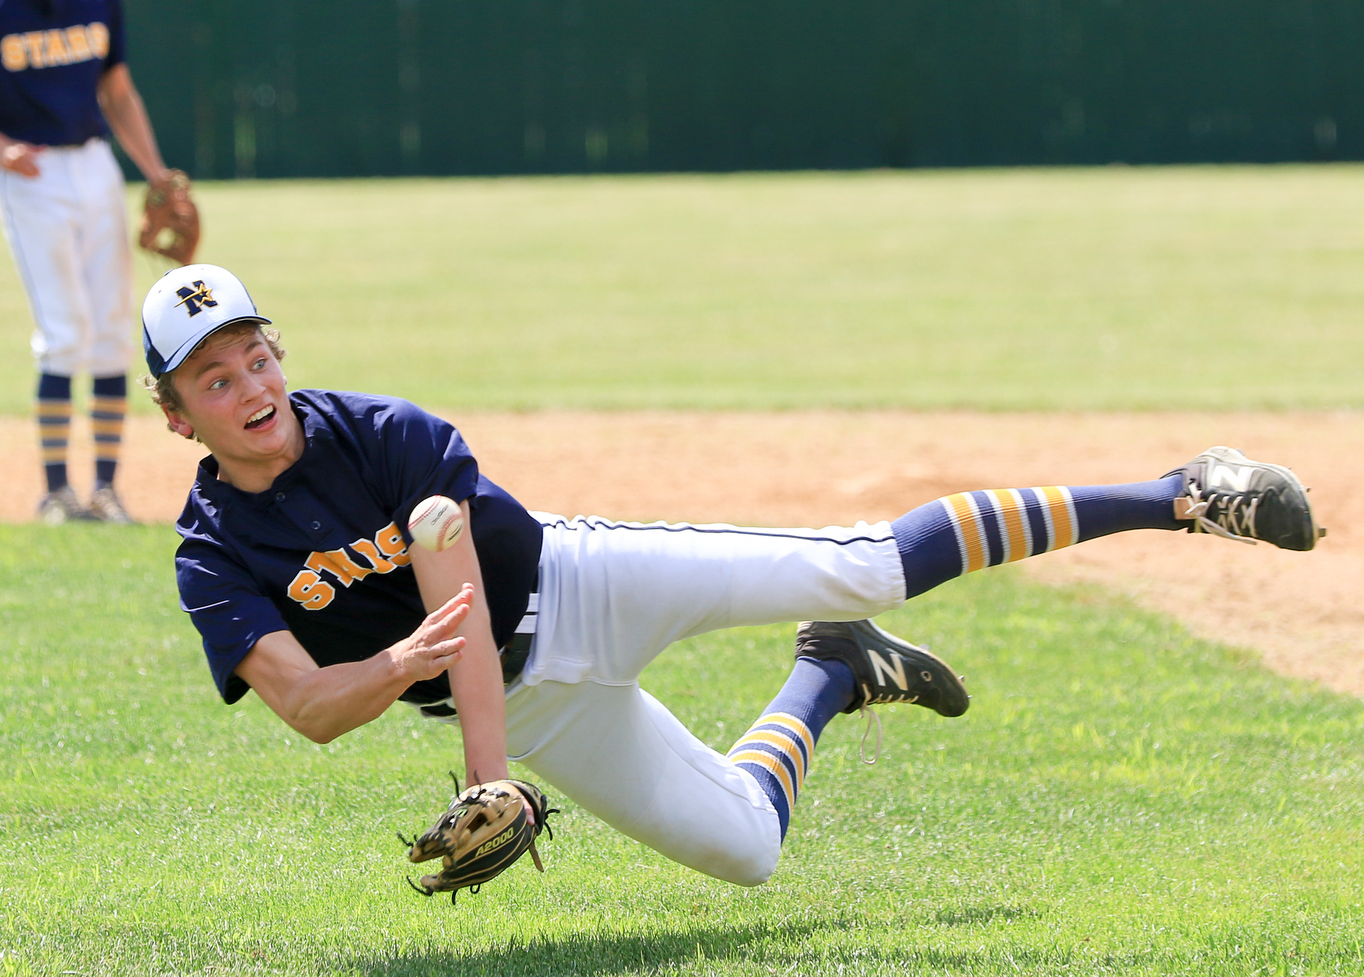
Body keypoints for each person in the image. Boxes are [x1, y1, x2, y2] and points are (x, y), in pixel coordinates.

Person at [143, 263, 1324, 886]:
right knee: (747, 853)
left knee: (862, 562)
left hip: (586, 582)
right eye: (214, 379)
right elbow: (304, 703)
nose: (249, 390)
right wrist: (396, 668)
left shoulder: (382, 433)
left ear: (278, 352)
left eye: (254, 357)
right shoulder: (211, 552)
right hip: (530, 698)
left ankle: (1176, 490)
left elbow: (457, 603)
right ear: (177, 415)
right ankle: (829, 676)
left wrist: (482, 778)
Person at [0, 0, 175, 523]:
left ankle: (106, 489)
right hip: (30, 171)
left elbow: (118, 90)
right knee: (64, 332)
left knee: (110, 331)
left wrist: (155, 172)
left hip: (95, 164)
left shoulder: (98, 2)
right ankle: (56, 493)